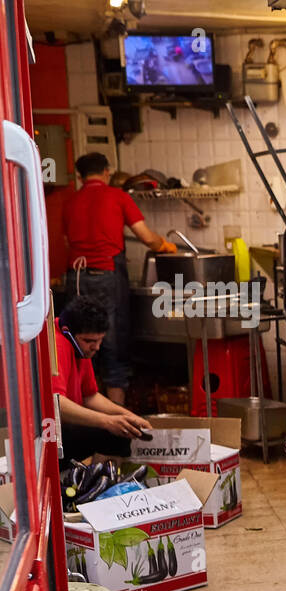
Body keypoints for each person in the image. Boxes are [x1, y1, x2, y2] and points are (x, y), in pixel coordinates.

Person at [62, 151, 176, 406]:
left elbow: (67, 242)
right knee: (113, 344)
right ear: (106, 172)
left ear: (80, 177)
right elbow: (146, 237)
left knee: (80, 346)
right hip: (106, 277)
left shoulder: (70, 203)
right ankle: (115, 422)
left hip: (76, 279)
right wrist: (165, 245)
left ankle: (81, 421)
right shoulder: (118, 196)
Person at [52, 296, 152, 462]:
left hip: (67, 423)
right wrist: (107, 422)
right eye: (90, 341)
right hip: (50, 433)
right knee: (114, 435)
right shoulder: (58, 344)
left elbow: (90, 396)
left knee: (125, 423)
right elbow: (55, 404)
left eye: (100, 340)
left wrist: (130, 416)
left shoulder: (81, 347)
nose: (96, 347)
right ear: (68, 331)